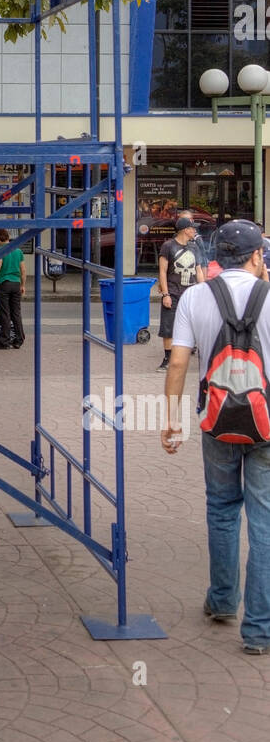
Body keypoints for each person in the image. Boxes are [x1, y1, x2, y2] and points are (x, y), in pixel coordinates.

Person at [162, 220, 270, 655]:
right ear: (256, 256)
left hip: (217, 419)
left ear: (216, 256)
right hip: (267, 424)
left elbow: (177, 364)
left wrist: (171, 420)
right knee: (264, 522)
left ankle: (223, 600)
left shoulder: (193, 297)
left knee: (222, 509)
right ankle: (259, 630)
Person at [158, 213, 205, 371]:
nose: (195, 232)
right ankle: (167, 358)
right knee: (168, 326)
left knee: (194, 325)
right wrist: (165, 294)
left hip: (191, 292)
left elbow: (198, 270)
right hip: (173, 291)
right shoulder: (168, 246)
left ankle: (189, 353)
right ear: (185, 230)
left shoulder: (194, 246)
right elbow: (163, 271)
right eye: (193, 229)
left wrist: (203, 290)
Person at [0, 228, 25, 349]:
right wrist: (22, 285)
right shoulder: (18, 250)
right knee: (16, 313)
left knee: (5, 314)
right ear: (8, 237)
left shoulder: (0, 250)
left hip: (4, 284)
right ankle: (19, 339)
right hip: (16, 284)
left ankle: (4, 341)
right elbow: (23, 271)